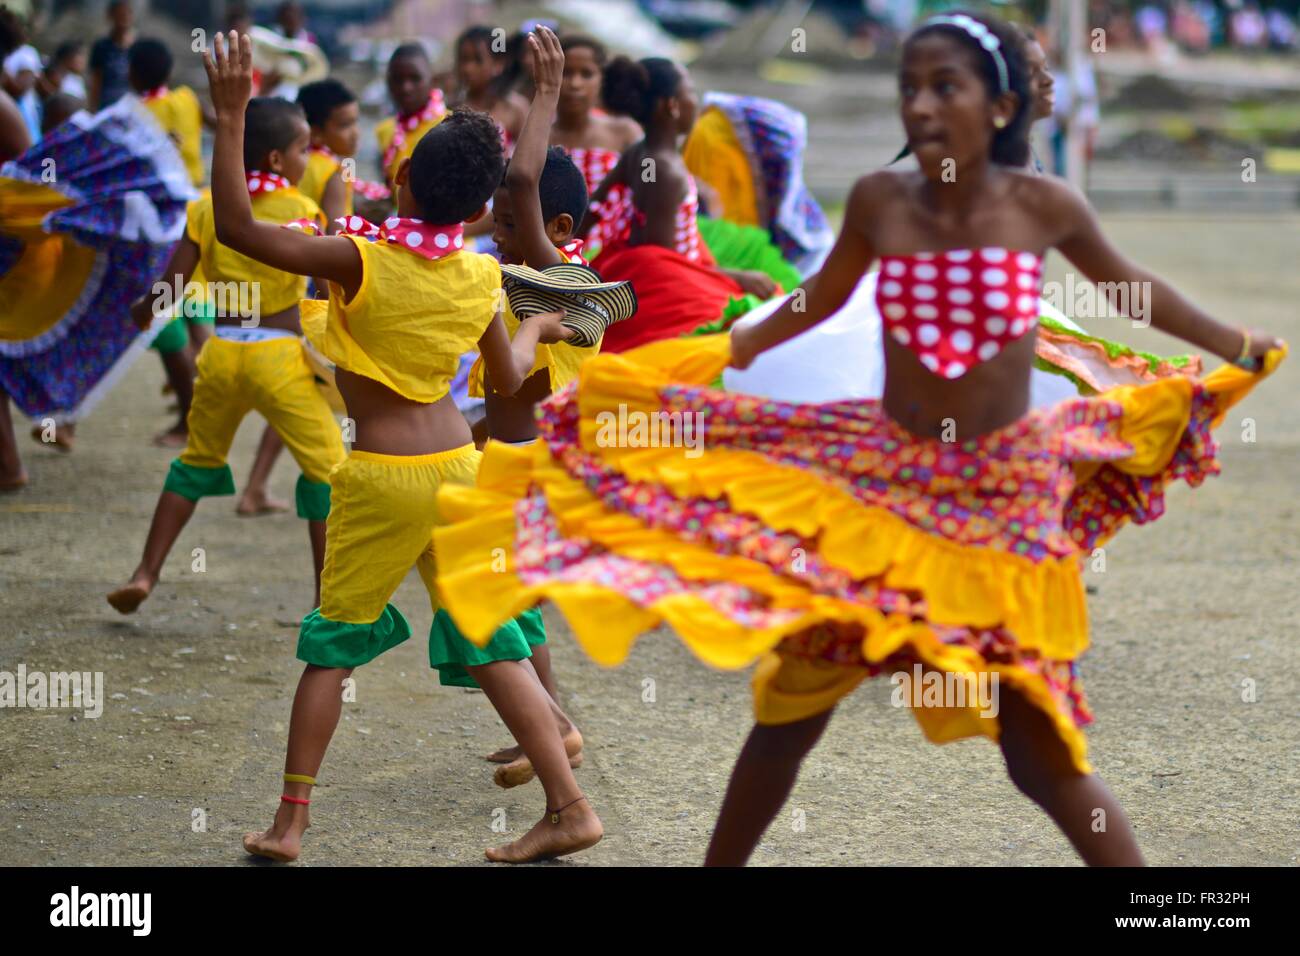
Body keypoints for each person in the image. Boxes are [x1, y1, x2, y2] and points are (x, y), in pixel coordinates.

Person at [430, 10, 1284, 867]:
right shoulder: (883, 199)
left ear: (1001, 105)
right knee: (786, 718)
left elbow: (1133, 289)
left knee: (1038, 753)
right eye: (909, 86)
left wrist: (1234, 345)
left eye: (945, 86)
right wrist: (735, 346)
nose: (920, 104)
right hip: (879, 483)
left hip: (996, 504)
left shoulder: (1043, 204)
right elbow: (822, 296)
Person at [198, 32, 601, 864]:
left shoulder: (357, 259)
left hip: (383, 478)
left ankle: (291, 824)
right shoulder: (480, 277)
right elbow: (504, 379)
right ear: (479, 204)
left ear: (406, 178)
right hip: (458, 469)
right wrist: (539, 326)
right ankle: (571, 806)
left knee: (332, 645)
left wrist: (230, 115)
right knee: (491, 642)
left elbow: (236, 226)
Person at [107, 95, 343, 615]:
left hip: (220, 355)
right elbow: (326, 287)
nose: (310, 157)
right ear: (279, 160)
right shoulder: (303, 211)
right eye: (304, 148)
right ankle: (327, 603)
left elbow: (170, 285)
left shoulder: (207, 208)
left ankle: (145, 573)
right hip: (279, 360)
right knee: (328, 475)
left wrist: (144, 310)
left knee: (193, 463)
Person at [440, 26, 597, 783]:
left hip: (521, 471)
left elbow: (528, 183)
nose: (498, 237)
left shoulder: (560, 279)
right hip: (518, 461)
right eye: (497, 223)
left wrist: (545, 92)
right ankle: (550, 720)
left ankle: (555, 730)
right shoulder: (524, 278)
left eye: (509, 226)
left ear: (557, 232)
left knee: (488, 601)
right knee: (518, 604)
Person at [581, 55, 777, 352]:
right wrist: (736, 276)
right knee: (761, 307)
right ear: (670, 105)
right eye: (691, 92)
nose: (696, 102)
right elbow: (663, 265)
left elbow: (591, 212)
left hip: (649, 271)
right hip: (665, 291)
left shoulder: (640, 151)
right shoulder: (665, 171)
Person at [236, 77, 359, 516]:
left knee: (297, 394)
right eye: (345, 125)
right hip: (307, 288)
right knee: (309, 395)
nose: (355, 134)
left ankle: (254, 486)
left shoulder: (292, 165)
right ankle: (264, 487)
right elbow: (337, 234)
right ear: (318, 133)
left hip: (277, 282)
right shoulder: (332, 172)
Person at [375, 43, 445, 188]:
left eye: (415, 78)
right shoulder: (385, 130)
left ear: (432, 80)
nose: (406, 88)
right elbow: (392, 187)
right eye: (397, 79)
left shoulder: (448, 126)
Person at [89, 0, 136, 110]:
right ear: (110, 16)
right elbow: (96, 82)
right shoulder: (101, 47)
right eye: (119, 14)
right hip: (106, 107)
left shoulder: (137, 48)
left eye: (126, 14)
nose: (123, 18)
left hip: (128, 108)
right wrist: (93, 110)